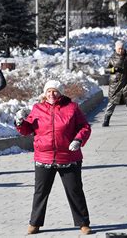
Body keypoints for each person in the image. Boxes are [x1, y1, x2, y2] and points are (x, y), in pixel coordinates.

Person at [15, 80, 92, 235]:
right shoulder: (37, 109)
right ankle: (35, 223)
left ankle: (83, 223)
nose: (51, 94)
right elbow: (27, 129)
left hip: (69, 157)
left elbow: (85, 127)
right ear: (45, 93)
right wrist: (19, 122)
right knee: (40, 192)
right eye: (49, 91)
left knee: (75, 190)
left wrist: (78, 140)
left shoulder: (72, 108)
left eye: (55, 91)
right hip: (44, 158)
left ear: (61, 92)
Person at [102, 38, 127, 127]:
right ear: (116, 49)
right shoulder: (112, 58)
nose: (121, 50)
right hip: (115, 85)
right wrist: (113, 69)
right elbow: (105, 70)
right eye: (119, 48)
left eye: (122, 48)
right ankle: (106, 120)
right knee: (111, 103)